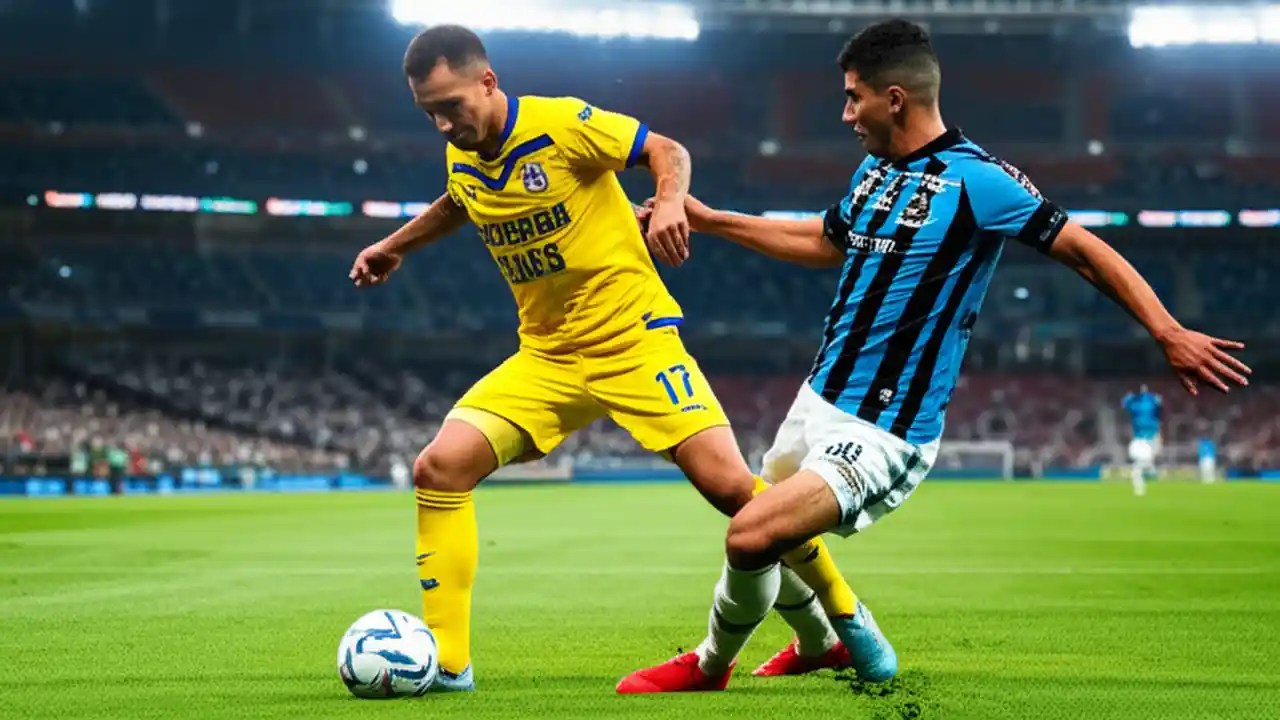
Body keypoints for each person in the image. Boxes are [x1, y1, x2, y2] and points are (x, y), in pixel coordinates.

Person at [617, 18, 1252, 694]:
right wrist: (712, 221)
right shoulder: (873, 172)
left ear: (895, 98)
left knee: (750, 535)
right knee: (766, 526)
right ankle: (819, 643)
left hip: (885, 428)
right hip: (819, 398)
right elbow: (823, 243)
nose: (845, 112)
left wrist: (1166, 331)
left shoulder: (979, 181)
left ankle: (711, 666)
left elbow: (1084, 249)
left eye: (853, 96)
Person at [349, 25, 861, 693]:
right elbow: (459, 202)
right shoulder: (464, 152)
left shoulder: (562, 124)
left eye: (452, 105)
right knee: (440, 467)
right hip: (547, 357)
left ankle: (838, 628)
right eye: (430, 114)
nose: (445, 124)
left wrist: (672, 200)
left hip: (631, 338)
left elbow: (666, 150)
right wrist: (395, 245)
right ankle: (448, 664)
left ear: (488, 82)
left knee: (734, 491)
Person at [1122, 384, 1163, 496]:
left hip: (1145, 438)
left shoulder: (1137, 403)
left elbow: (1125, 404)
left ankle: (1147, 472)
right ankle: (1146, 474)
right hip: (1144, 438)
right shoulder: (1151, 401)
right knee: (1141, 464)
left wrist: (1129, 397)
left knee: (1142, 465)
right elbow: (1159, 406)